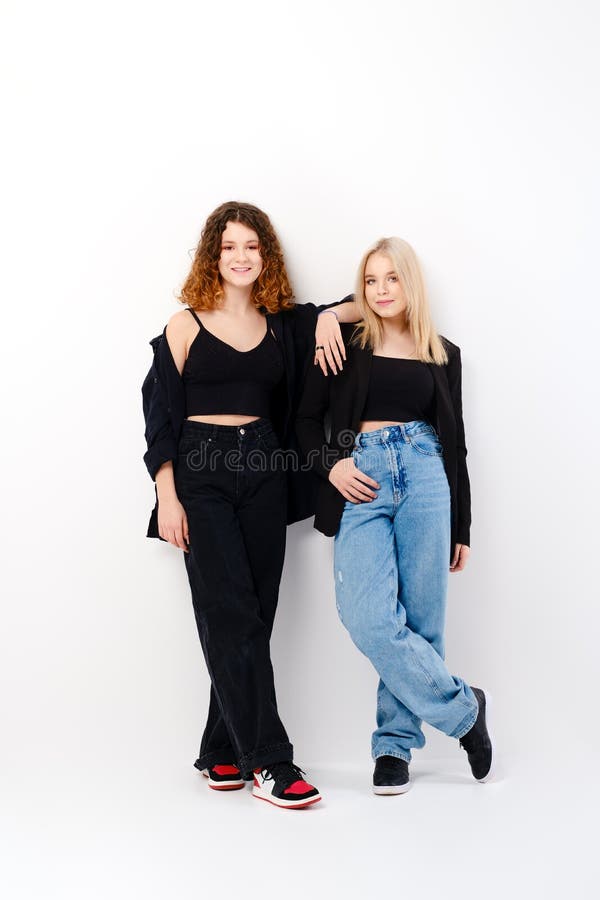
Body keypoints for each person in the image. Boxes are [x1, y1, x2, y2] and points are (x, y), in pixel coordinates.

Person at [141, 201, 359, 809]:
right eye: (229, 246)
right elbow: (158, 417)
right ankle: (270, 761)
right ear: (214, 254)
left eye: (252, 247)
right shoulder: (184, 326)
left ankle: (219, 751)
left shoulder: (282, 322)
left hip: (263, 468)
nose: (240, 257)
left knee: (253, 615)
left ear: (266, 257)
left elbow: (356, 303)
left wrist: (326, 320)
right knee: (228, 611)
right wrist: (168, 495)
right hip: (200, 471)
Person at [296, 237, 495, 794]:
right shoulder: (343, 345)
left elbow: (456, 446)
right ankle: (465, 711)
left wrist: (463, 526)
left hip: (428, 475)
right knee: (369, 617)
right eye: (371, 281)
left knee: (422, 618)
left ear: (411, 284)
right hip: (361, 479)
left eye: (392, 279)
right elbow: (304, 423)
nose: (381, 291)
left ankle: (394, 748)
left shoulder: (443, 353)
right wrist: (331, 467)